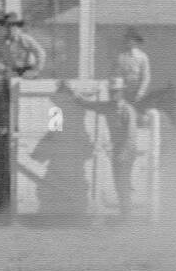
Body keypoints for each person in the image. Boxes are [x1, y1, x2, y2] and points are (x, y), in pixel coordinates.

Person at [60, 78, 146, 220]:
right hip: (118, 150)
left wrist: (122, 154)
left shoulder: (127, 110)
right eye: (111, 91)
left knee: (123, 183)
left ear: (122, 92)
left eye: (116, 91)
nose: (113, 94)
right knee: (119, 184)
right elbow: (87, 104)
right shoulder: (109, 107)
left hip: (127, 151)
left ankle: (126, 216)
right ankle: (125, 215)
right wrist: (71, 91)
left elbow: (131, 136)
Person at [2, 13, 47, 78]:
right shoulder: (3, 42)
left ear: (16, 26)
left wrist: (35, 70)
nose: (9, 29)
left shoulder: (24, 38)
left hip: (28, 71)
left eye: (12, 25)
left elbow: (41, 53)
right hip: (13, 73)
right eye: (7, 26)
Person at [115, 27, 152, 104]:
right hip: (124, 93)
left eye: (132, 39)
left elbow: (146, 77)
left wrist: (140, 93)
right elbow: (118, 75)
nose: (130, 42)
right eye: (128, 39)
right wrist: (120, 92)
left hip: (139, 93)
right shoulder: (122, 56)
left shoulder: (143, 57)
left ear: (136, 41)